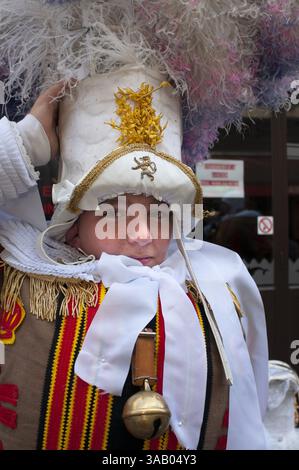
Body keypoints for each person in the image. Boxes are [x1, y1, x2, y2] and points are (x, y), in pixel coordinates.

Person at [0, 65, 268, 451]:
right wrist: (26, 143)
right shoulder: (22, 273)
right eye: (116, 210)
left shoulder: (217, 282)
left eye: (158, 211)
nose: (142, 234)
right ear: (74, 225)